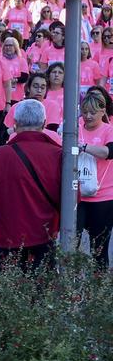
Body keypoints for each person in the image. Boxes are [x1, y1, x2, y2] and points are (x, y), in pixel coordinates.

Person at [77, 90, 113, 267]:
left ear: (103, 111)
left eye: (92, 112)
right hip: (77, 196)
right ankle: (69, 285)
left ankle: (98, 287)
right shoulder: (74, 127)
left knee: (99, 248)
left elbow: (108, 152)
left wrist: (84, 147)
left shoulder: (108, 130)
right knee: (70, 245)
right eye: (85, 112)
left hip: (103, 196)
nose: (88, 116)